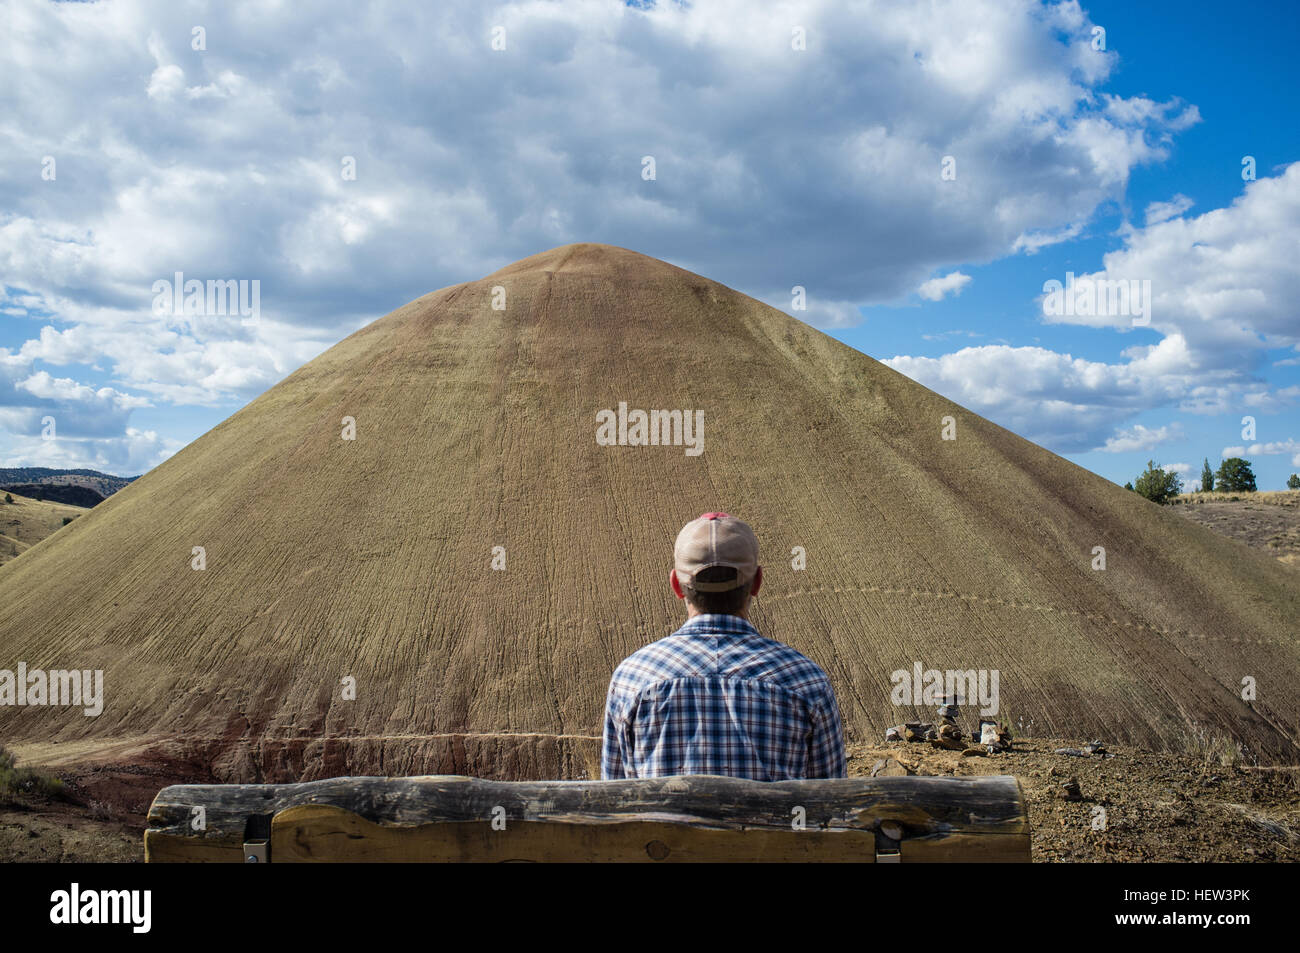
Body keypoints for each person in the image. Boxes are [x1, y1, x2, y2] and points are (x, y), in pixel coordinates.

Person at [601, 512, 847, 780]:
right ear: (757, 582)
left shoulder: (631, 680)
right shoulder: (806, 683)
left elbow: (615, 805)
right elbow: (832, 807)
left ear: (676, 585)